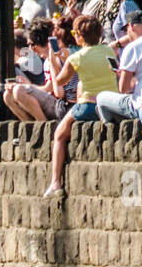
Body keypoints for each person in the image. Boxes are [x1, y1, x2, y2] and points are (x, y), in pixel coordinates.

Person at [43, 15, 116, 197]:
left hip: (89, 105)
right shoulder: (109, 51)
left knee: (59, 135)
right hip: (111, 104)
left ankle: (55, 182)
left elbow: (59, 82)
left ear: (79, 36)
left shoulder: (76, 58)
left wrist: (53, 60)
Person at [95, 10, 142, 124]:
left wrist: (121, 75)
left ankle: (111, 133)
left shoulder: (132, 47)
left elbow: (124, 89)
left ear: (131, 26)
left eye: (126, 30)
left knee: (101, 97)